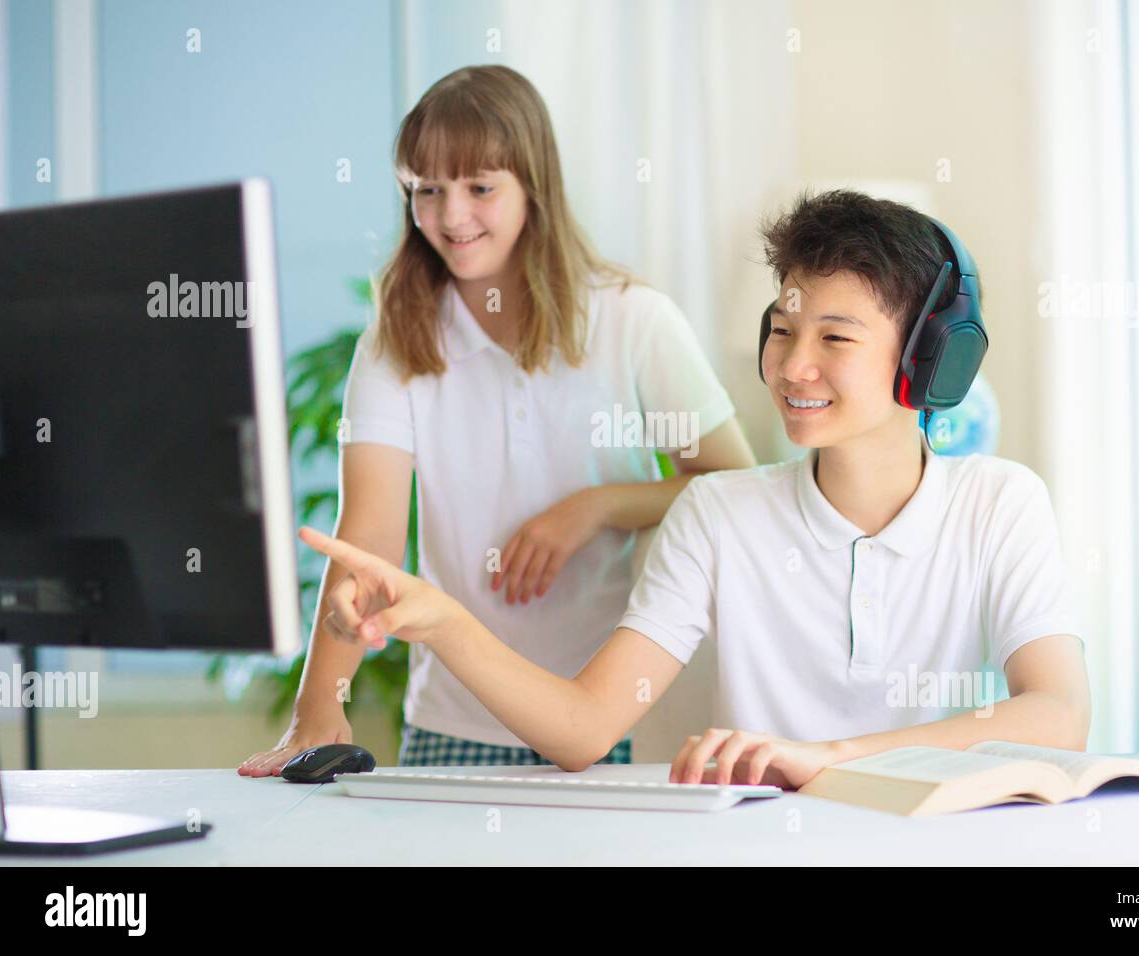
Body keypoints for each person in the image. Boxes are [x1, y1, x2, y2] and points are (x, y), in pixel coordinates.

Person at [293, 189, 1090, 788]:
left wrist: (829, 758)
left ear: (932, 360)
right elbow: (582, 730)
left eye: (834, 338)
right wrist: (447, 623)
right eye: (781, 329)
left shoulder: (1000, 503)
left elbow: (1057, 716)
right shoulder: (718, 514)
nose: (791, 364)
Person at [238, 65, 755, 776]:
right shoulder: (396, 341)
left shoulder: (635, 321)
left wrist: (597, 507)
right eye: (428, 190)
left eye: (480, 187)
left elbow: (734, 486)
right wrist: (319, 703)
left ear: (533, 186)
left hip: (614, 717)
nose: (452, 218)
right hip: (453, 718)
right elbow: (371, 536)